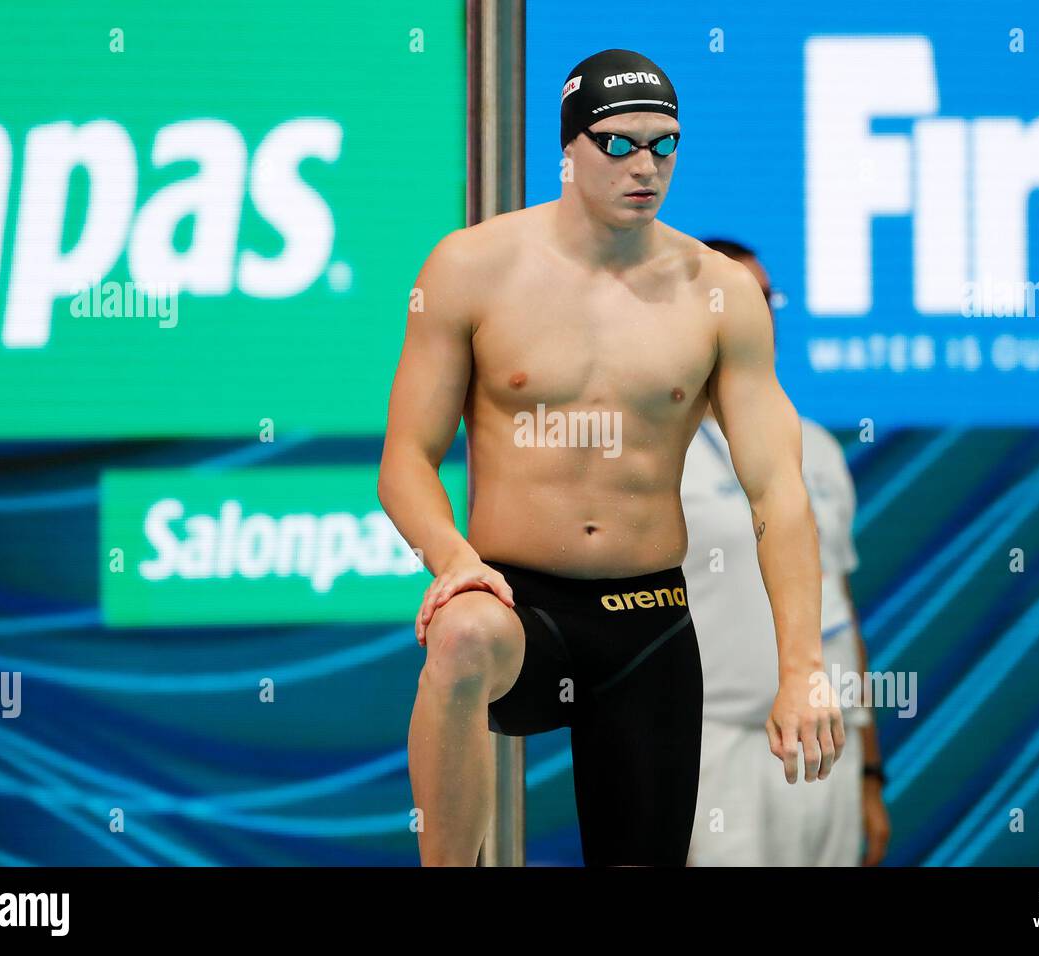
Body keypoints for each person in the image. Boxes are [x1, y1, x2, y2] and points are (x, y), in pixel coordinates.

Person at [378, 50, 843, 867]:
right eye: (620, 144)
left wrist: (802, 666)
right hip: (519, 605)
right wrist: (454, 561)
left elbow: (778, 491)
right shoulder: (471, 269)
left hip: (648, 624)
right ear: (569, 147)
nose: (647, 166)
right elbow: (406, 461)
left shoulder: (719, 291)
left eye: (664, 145)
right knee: (462, 635)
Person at [683, 239, 890, 866]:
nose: (762, 314)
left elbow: (840, 607)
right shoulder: (658, 450)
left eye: (768, 298)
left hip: (827, 743)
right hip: (717, 743)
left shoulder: (816, 447)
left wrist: (870, 773)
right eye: (743, 297)